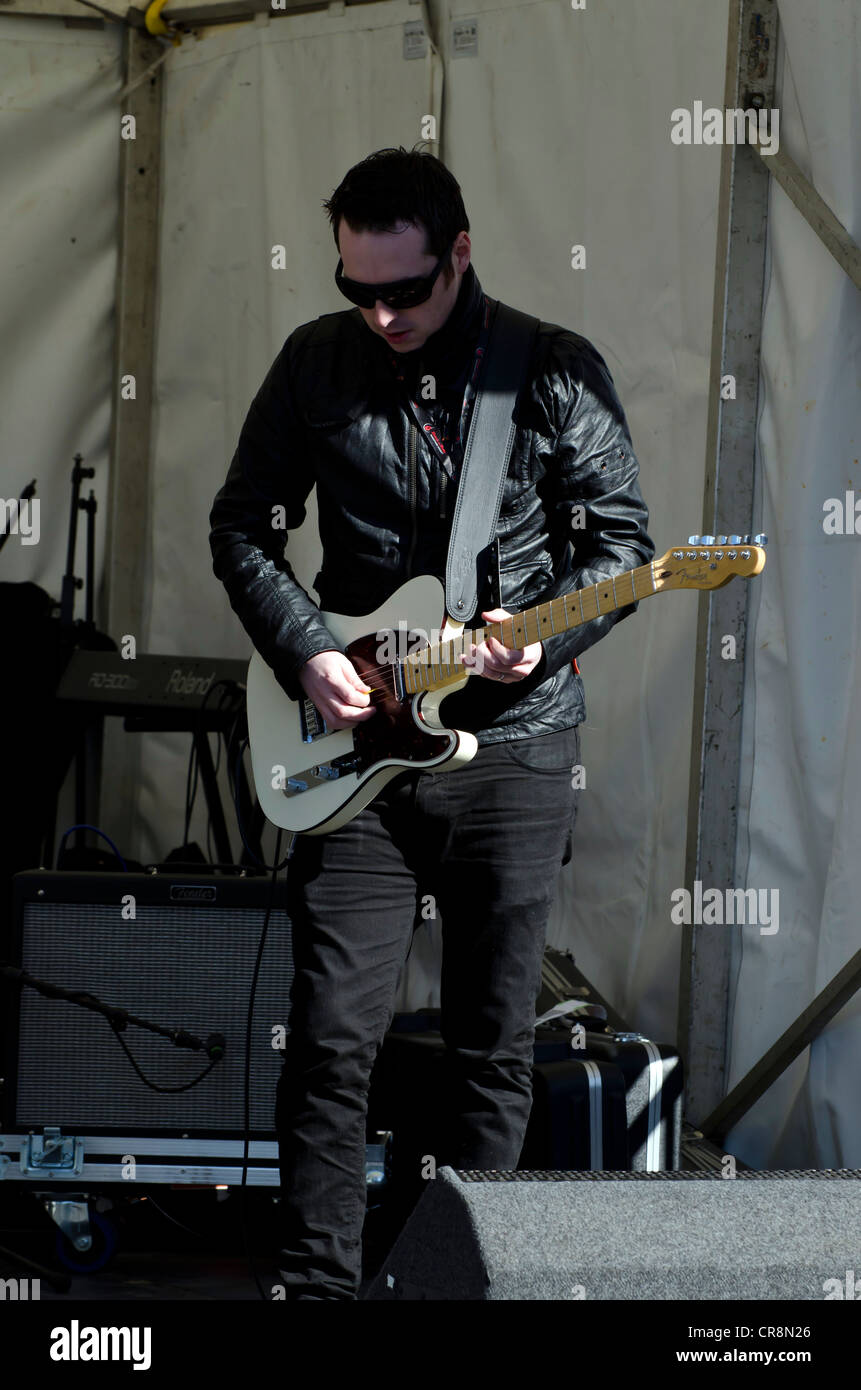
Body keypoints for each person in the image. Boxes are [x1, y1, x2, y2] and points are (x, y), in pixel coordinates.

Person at [209, 145, 654, 1300]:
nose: (382, 312)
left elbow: (627, 551)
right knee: (328, 1044)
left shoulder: (550, 372)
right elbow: (242, 525)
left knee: (489, 1051)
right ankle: (316, 1290)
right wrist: (306, 645)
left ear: (461, 252)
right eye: (359, 287)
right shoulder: (316, 361)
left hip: (510, 750)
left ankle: (449, 1290)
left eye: (406, 288)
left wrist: (539, 639)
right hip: (352, 754)